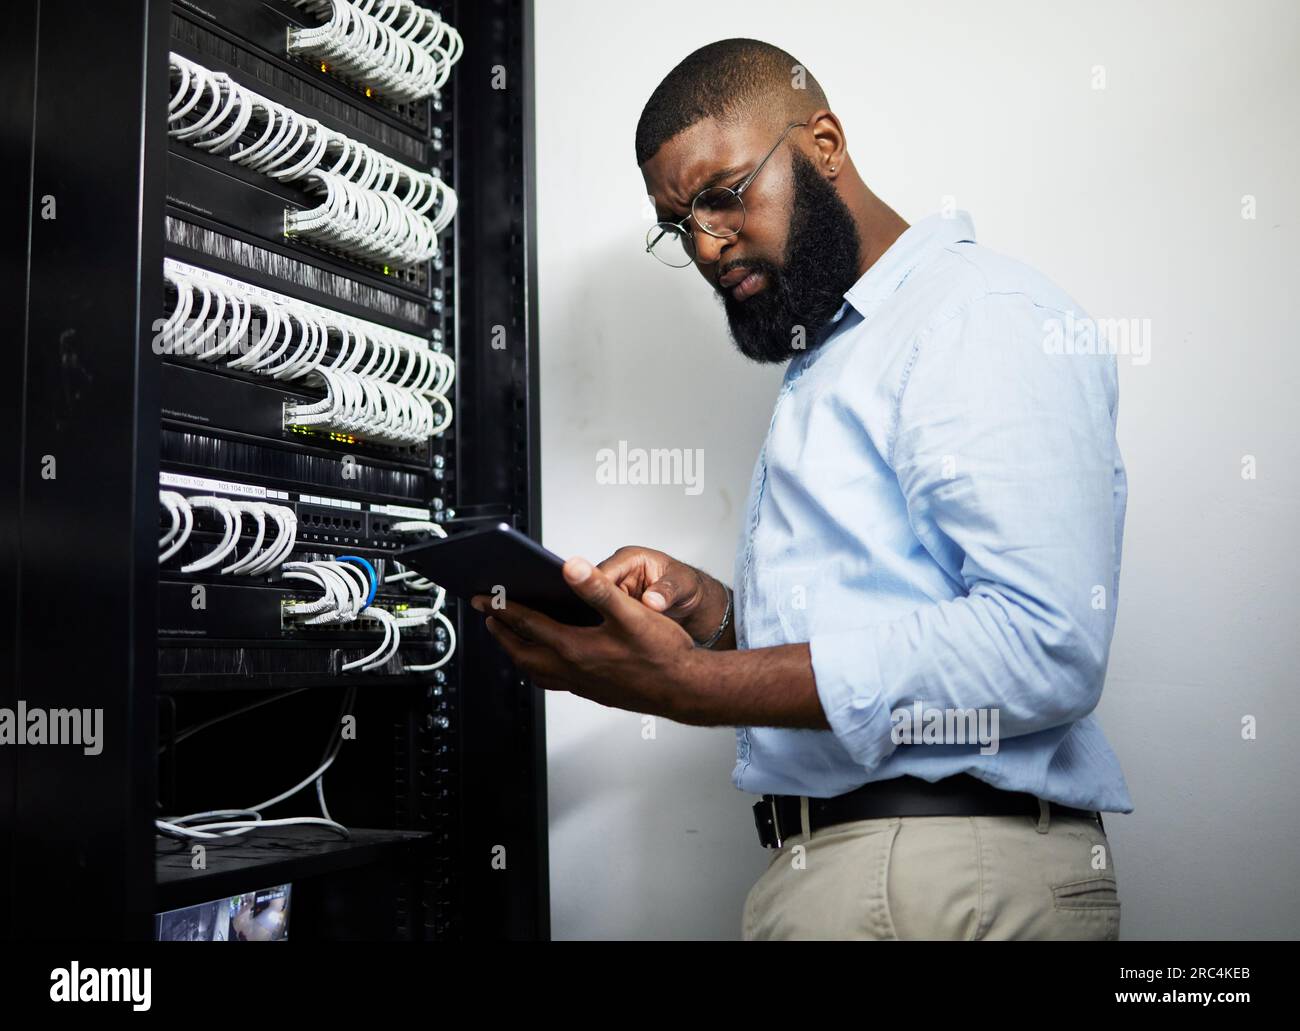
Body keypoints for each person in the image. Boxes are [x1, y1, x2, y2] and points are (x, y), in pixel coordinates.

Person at [470, 37, 1131, 940]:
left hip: (940, 878)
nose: (705, 244)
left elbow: (1043, 642)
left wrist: (699, 683)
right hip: (875, 876)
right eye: (679, 224)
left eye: (723, 195)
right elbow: (891, 614)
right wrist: (711, 616)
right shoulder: (842, 347)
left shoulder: (977, 316)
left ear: (823, 144)